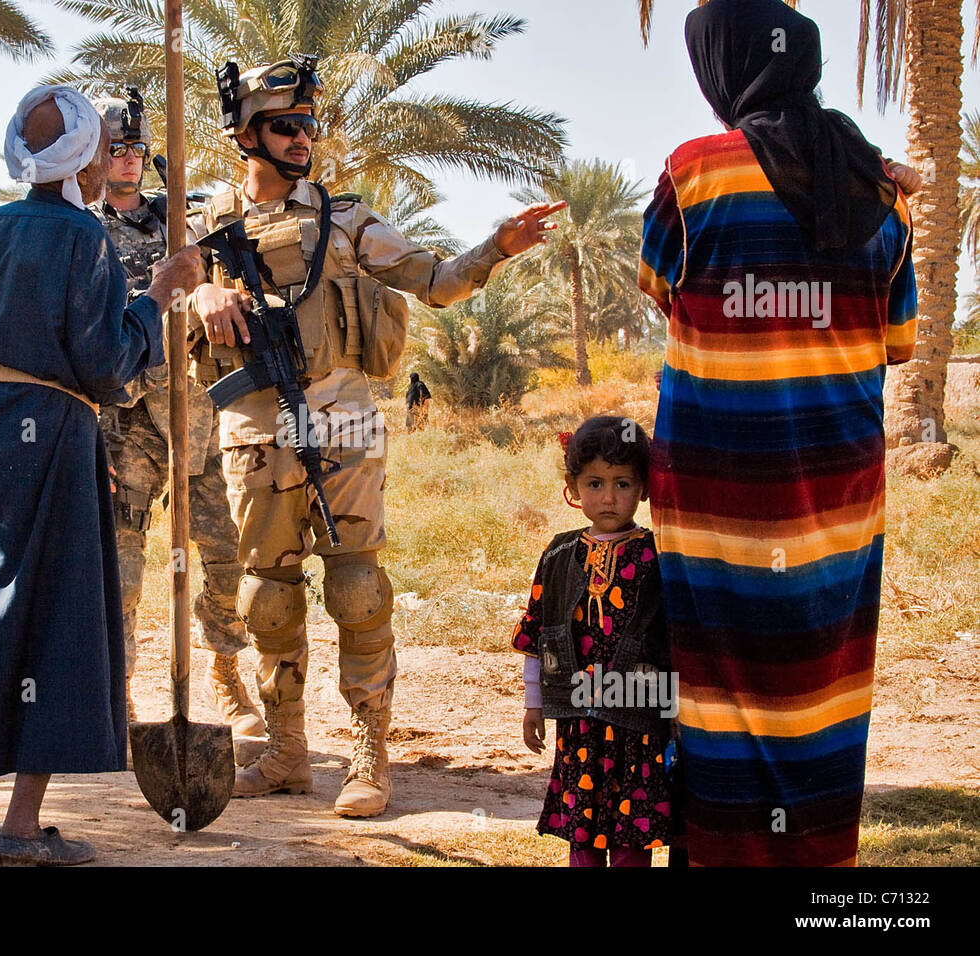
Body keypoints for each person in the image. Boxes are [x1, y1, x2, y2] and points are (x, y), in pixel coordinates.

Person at [188, 55, 567, 817]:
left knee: (357, 587)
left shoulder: (346, 219)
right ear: (245, 135)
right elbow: (145, 304)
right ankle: (288, 752)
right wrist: (195, 292)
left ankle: (370, 753)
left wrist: (496, 246)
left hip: (345, 420)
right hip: (253, 426)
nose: (303, 138)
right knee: (266, 596)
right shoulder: (202, 225)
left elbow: (438, 282)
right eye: (285, 126)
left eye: (308, 125)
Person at [639, 0, 918, 866]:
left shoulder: (694, 173)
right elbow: (899, 342)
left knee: (716, 679)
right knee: (820, 677)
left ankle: (720, 849)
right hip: (834, 494)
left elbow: (661, 285)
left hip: (716, 486)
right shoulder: (881, 190)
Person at [0, 85, 204, 865]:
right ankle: (19, 825)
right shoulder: (84, 240)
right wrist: (158, 297)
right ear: (83, 158)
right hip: (48, 436)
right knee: (59, 615)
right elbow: (107, 365)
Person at [89, 91, 263, 758]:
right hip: (123, 420)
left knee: (222, 553)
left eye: (135, 149)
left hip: (197, 408)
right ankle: (120, 692)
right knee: (121, 560)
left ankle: (224, 679)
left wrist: (214, 286)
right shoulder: (82, 229)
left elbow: (236, 289)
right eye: (114, 149)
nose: (127, 161)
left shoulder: (185, 225)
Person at [515, 417, 677, 866]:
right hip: (578, 723)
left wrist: (675, 712)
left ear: (644, 488)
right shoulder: (559, 554)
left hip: (636, 724)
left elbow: (672, 640)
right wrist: (534, 705)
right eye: (595, 483)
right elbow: (539, 635)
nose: (609, 497)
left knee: (630, 838)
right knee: (582, 837)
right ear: (573, 487)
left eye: (622, 483)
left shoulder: (656, 554)